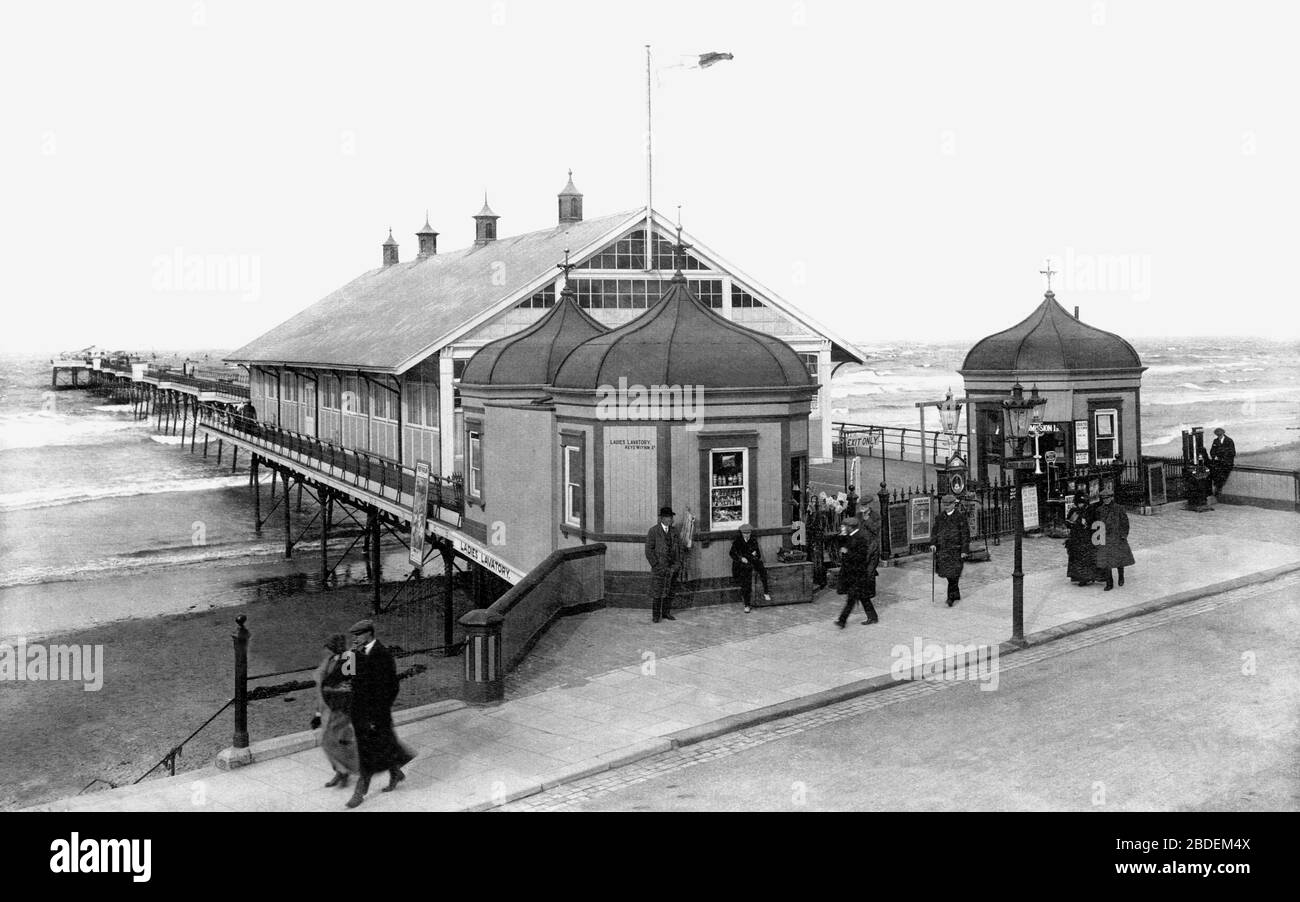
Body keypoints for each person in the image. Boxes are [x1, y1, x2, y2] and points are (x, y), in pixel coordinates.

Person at [344, 619, 415, 809]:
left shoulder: (382, 655)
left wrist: (377, 715)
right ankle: (395, 771)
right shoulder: (355, 653)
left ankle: (360, 791)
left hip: (376, 713)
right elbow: (346, 675)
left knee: (366, 753)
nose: (355, 638)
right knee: (380, 744)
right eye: (353, 635)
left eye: (358, 635)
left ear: (369, 633)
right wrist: (350, 655)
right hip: (359, 711)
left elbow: (391, 688)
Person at [312, 634, 360, 788]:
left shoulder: (349, 660)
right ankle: (341, 771)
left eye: (329, 647)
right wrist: (318, 713)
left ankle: (346, 770)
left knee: (329, 740)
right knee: (337, 740)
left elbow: (351, 685)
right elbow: (320, 688)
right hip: (327, 707)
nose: (326, 650)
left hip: (341, 707)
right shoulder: (329, 660)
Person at [834, 516, 880, 627]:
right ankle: (872, 617)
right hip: (854, 574)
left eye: (845, 526)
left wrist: (846, 552)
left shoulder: (860, 538)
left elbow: (860, 557)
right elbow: (839, 542)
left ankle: (842, 621)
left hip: (857, 574)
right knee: (863, 597)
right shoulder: (851, 535)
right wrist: (842, 535)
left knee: (852, 598)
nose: (843, 527)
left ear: (850, 527)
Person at [644, 506, 684, 623]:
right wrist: (656, 565)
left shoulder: (674, 531)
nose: (670, 519)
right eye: (668, 517)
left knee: (669, 591)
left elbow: (679, 549)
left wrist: (677, 564)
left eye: (671, 517)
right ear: (661, 518)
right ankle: (656, 616)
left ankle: (666, 613)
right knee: (657, 592)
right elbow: (648, 550)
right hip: (659, 568)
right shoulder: (653, 531)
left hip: (672, 568)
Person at [930, 493, 969, 606]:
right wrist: (933, 543)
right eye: (944, 504)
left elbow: (965, 535)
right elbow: (935, 532)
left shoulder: (960, 517)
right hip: (943, 550)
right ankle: (956, 593)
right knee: (948, 574)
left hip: (956, 550)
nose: (946, 506)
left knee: (954, 574)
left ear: (954, 505)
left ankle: (950, 597)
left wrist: (964, 551)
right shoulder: (940, 517)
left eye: (948, 504)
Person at [1093, 489, 1135, 591]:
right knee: (1107, 562)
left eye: (1107, 498)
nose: (1106, 500)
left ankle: (1121, 576)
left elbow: (1125, 523)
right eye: (1104, 498)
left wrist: (1123, 535)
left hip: (1117, 538)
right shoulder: (1099, 510)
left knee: (1119, 560)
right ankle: (1109, 583)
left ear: (1112, 498)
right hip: (1105, 538)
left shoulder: (1119, 508)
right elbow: (1098, 524)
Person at [728, 524, 772, 613]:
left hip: (751, 560)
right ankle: (747, 605)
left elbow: (758, 555)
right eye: (745, 533)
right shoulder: (737, 541)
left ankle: (766, 592)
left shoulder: (753, 540)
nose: (747, 535)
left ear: (751, 533)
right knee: (746, 580)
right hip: (741, 564)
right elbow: (732, 553)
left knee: (762, 569)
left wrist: (752, 556)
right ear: (741, 533)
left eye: (748, 533)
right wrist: (741, 558)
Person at [1063, 495, 1100, 586]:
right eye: (1079, 503)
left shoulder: (1090, 510)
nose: (1080, 505)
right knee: (1076, 558)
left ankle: (1086, 578)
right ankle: (1077, 576)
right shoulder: (1074, 511)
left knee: (1086, 558)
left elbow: (1095, 523)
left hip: (1086, 538)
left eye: (1082, 503)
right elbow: (1068, 522)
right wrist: (1071, 523)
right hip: (1075, 538)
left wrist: (1087, 523)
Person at [1209, 428, 1237, 497]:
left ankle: (1218, 489)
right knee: (1214, 472)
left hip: (1227, 463)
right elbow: (1212, 451)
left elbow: (1232, 453)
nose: (1219, 437)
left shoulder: (1229, 441)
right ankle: (1217, 488)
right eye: (1218, 435)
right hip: (1218, 462)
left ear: (1223, 434)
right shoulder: (1215, 441)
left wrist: (1223, 457)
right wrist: (1214, 456)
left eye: (1220, 435)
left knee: (1222, 474)